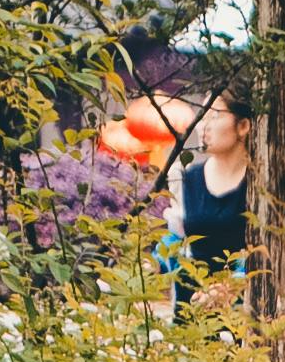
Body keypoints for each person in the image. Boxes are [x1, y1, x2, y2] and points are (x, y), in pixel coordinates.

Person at [101, 86, 252, 287]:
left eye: (213, 116)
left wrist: (231, 287)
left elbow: (262, 253)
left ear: (242, 126)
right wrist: (149, 266)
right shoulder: (188, 178)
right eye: (201, 116)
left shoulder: (256, 185)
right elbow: (177, 237)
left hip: (238, 308)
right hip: (188, 304)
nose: (202, 125)